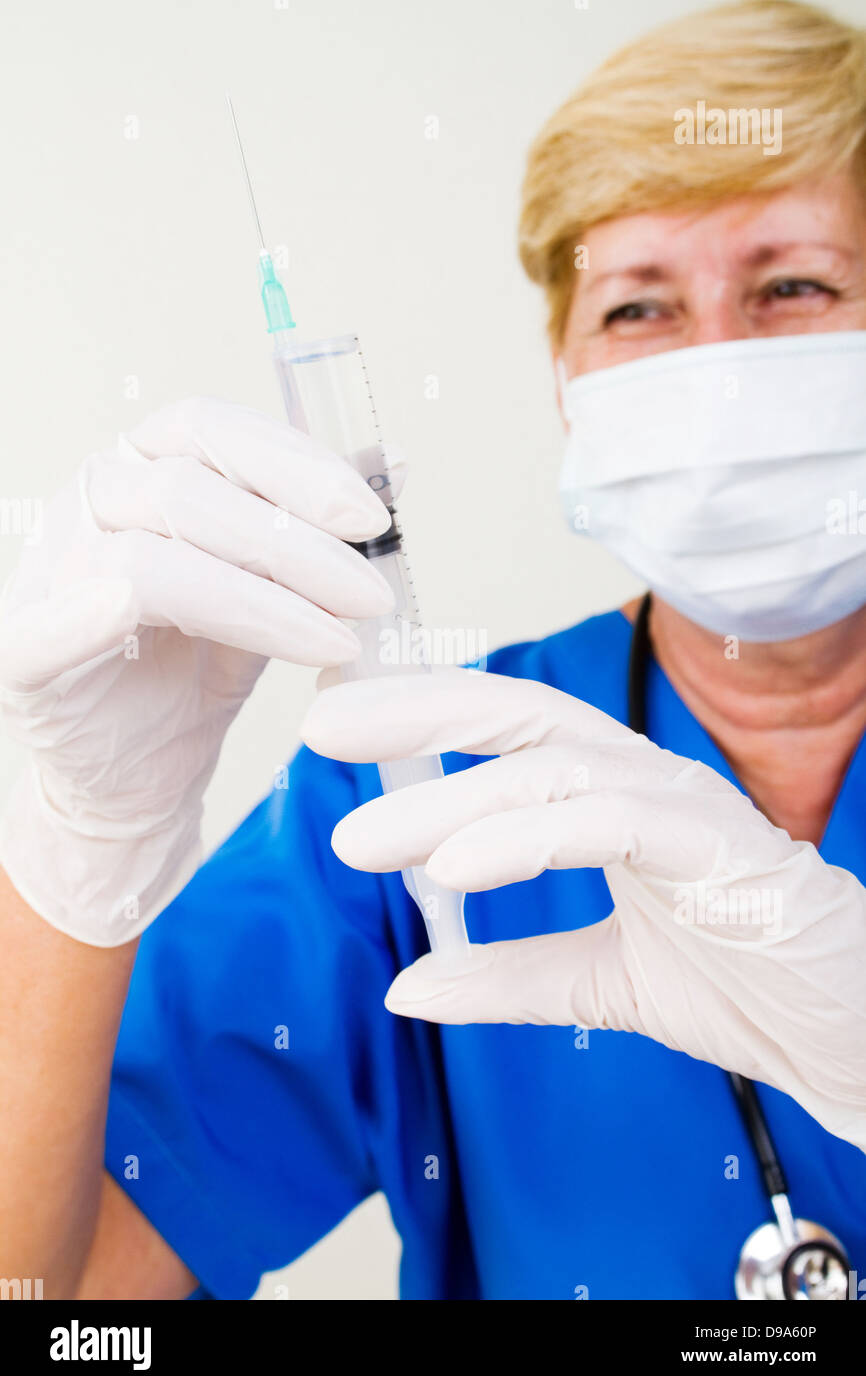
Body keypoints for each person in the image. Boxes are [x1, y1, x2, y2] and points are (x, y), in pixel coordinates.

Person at [1, 0, 865, 1301]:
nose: (717, 364)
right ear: (564, 376)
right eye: (635, 307)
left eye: (792, 284)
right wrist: (80, 850)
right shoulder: (421, 771)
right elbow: (60, 1298)